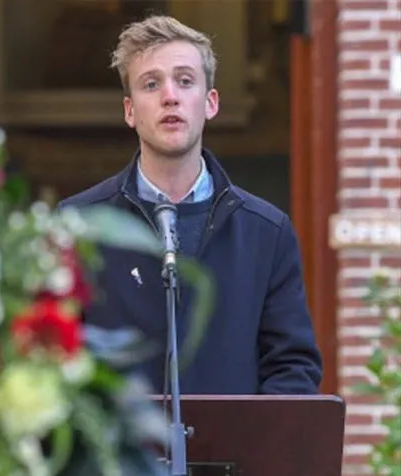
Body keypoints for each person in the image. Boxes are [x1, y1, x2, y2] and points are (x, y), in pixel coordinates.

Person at [57, 15, 323, 395]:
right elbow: (52, 357)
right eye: (151, 84)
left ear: (210, 103)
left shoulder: (267, 232)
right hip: (118, 453)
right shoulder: (77, 225)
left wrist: (254, 449)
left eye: (185, 80)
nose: (170, 95)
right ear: (130, 111)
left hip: (233, 453)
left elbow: (292, 368)